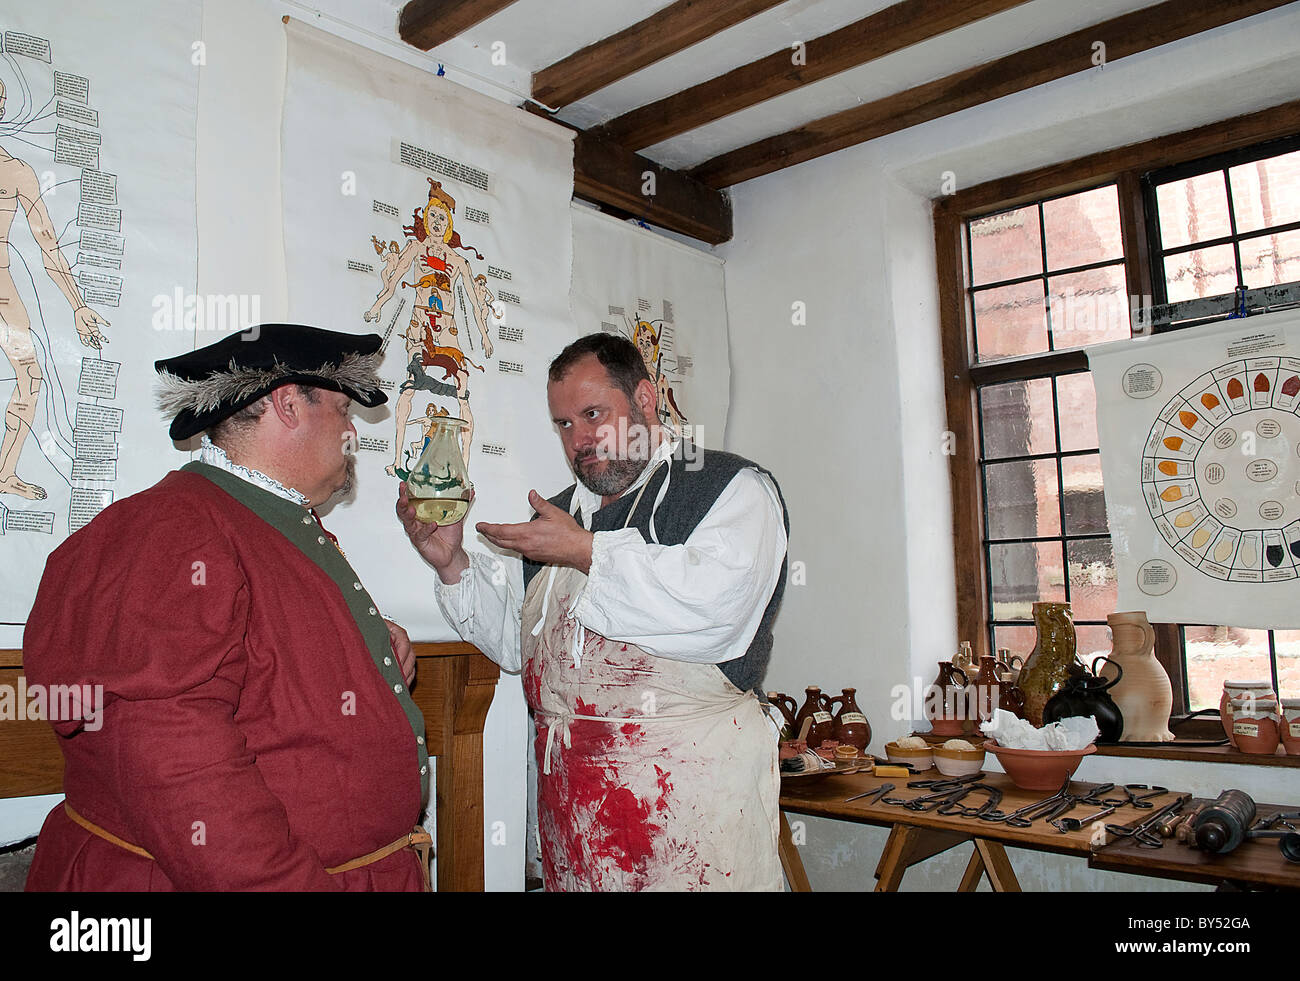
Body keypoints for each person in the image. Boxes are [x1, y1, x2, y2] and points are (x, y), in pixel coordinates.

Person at [24, 323, 430, 891]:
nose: (351, 436)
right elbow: (173, 762)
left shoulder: (257, 518)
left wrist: (364, 659)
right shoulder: (171, 529)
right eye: (342, 412)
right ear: (288, 404)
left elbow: (262, 669)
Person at [396, 332, 789, 891]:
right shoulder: (555, 517)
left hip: (695, 835)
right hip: (576, 835)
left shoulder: (729, 488)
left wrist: (586, 553)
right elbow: (521, 645)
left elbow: (716, 616)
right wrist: (452, 563)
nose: (579, 438)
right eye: (563, 424)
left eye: (593, 414)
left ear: (645, 401)